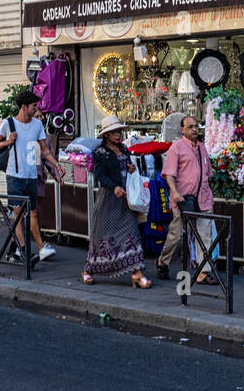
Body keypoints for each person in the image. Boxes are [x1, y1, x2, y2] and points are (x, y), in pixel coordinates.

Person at [0, 89, 63, 262]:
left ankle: (31, 249)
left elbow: (45, 150)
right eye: (34, 106)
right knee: (18, 214)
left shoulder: (37, 125)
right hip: (14, 175)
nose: (36, 110)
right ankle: (23, 251)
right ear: (24, 107)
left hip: (31, 176)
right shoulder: (9, 124)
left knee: (33, 213)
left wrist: (57, 165)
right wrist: (8, 141)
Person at [84, 115, 151, 288]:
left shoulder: (124, 148)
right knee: (101, 235)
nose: (118, 134)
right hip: (108, 199)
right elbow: (100, 175)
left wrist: (131, 167)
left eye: (119, 131)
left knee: (132, 232)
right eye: (114, 132)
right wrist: (114, 187)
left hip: (126, 199)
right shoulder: (100, 153)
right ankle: (89, 269)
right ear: (106, 135)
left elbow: (128, 166)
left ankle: (137, 272)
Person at [156, 115, 217, 283]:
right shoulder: (177, 148)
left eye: (196, 126)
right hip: (183, 199)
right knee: (176, 235)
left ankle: (203, 272)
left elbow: (208, 174)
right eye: (190, 127)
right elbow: (169, 173)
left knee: (204, 234)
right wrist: (174, 192)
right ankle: (163, 261)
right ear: (182, 129)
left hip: (203, 198)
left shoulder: (202, 148)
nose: (195, 129)